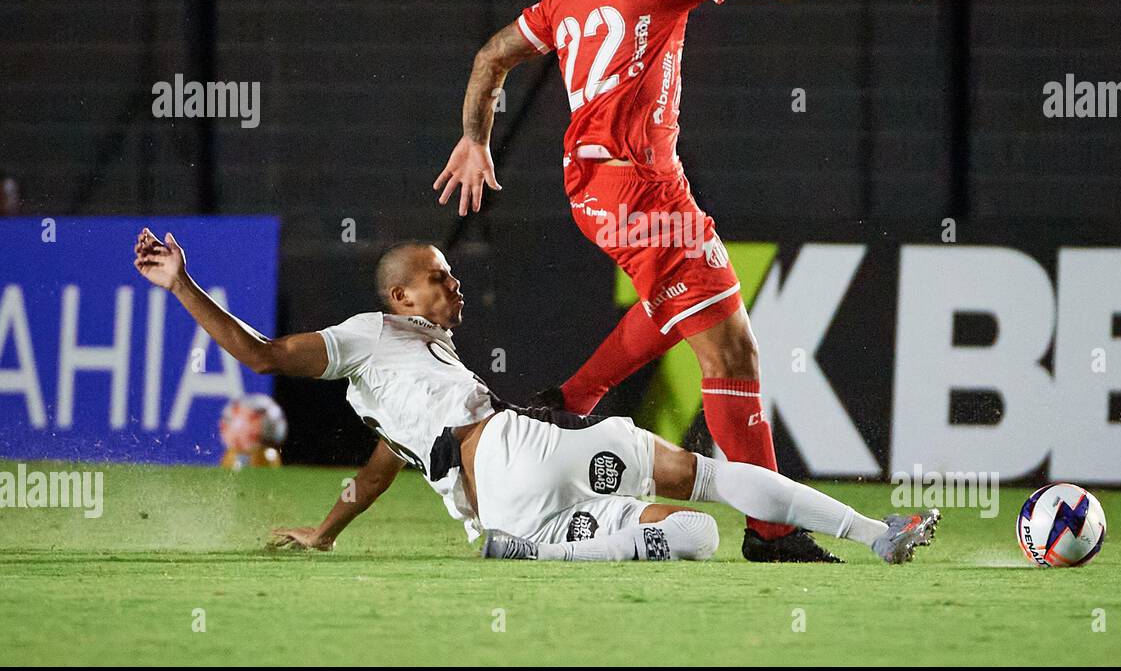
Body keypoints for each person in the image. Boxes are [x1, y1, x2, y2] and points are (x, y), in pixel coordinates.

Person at [435, 0, 955, 562]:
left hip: (601, 188)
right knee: (730, 350)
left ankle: (575, 394)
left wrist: (475, 136)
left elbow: (491, 55)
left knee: (678, 304)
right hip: (640, 191)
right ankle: (772, 532)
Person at [131, 227, 939, 563]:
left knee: (694, 537)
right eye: (439, 277)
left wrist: (326, 531)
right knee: (707, 477)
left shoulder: (401, 383)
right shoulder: (367, 335)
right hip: (511, 447)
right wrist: (183, 283)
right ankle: (878, 534)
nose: (456, 282)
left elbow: (382, 468)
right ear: (400, 298)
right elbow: (264, 355)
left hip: (507, 510)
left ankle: (541, 553)